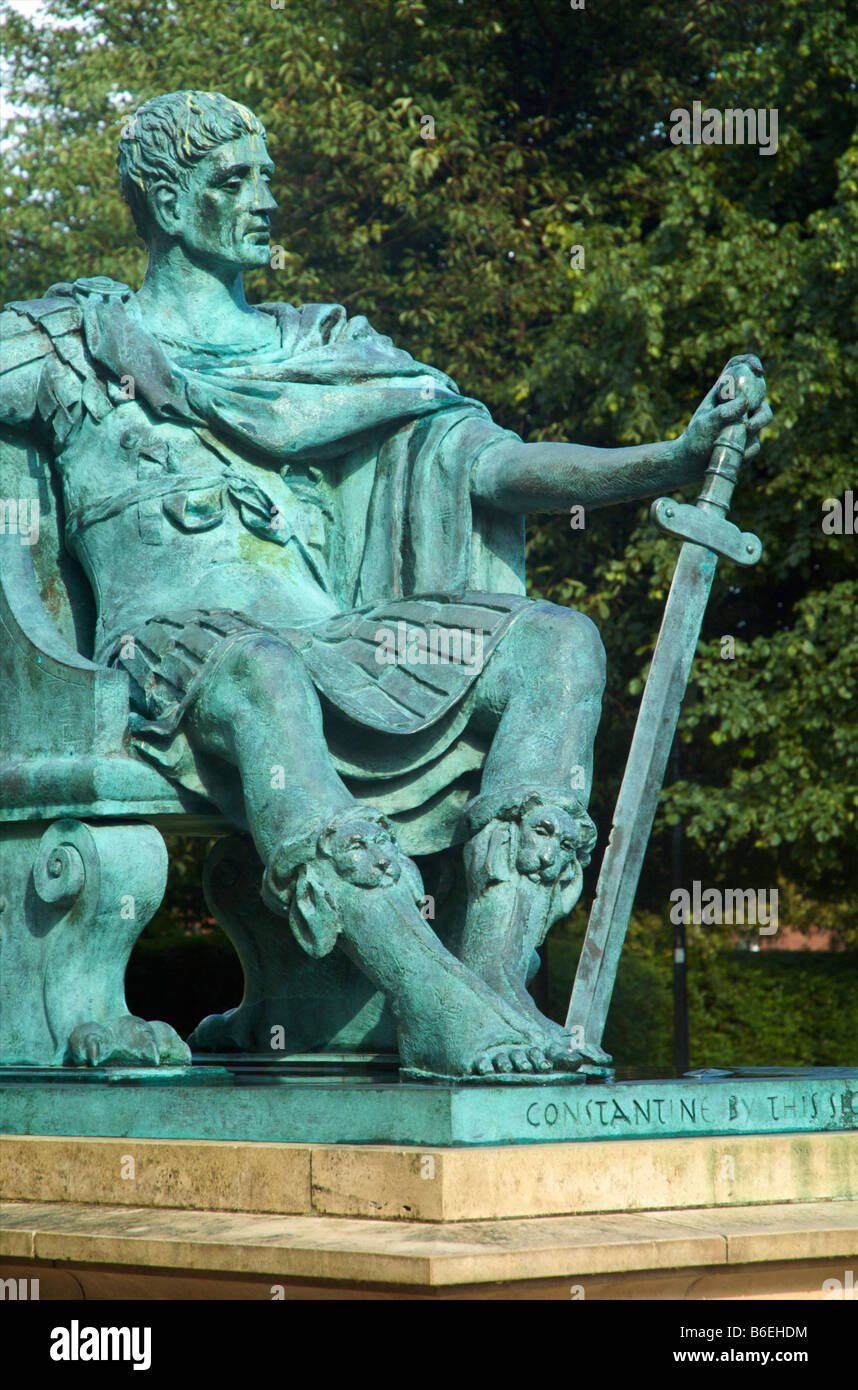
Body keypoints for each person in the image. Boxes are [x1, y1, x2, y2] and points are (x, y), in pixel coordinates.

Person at [0, 91, 771, 1079]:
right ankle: (432, 1001)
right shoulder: (65, 342)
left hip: (332, 646)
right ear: (161, 199)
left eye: (268, 178)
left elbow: (494, 464)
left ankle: (487, 981)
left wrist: (669, 458)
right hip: (173, 658)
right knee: (260, 669)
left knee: (557, 642)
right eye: (233, 181)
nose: (266, 202)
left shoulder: (320, 353)